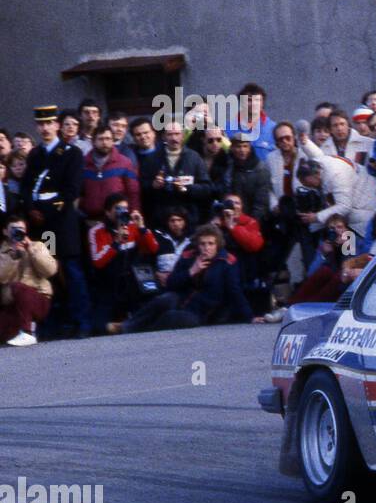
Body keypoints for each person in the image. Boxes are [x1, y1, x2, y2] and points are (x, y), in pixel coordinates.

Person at [22, 104, 91, 338]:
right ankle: (53, 321)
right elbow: (27, 187)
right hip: (42, 226)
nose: (45, 128)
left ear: (58, 125)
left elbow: (71, 190)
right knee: (48, 272)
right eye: (41, 124)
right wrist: (31, 209)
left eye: (49, 123)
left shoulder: (72, 154)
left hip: (62, 223)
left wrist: (45, 210)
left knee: (71, 271)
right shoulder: (35, 155)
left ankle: (81, 321)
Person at [109, 224, 252, 333]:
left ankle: (140, 331)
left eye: (210, 244)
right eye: (202, 244)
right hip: (182, 299)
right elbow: (171, 283)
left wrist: (249, 317)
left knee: (172, 316)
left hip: (202, 311)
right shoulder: (189, 255)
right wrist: (192, 271)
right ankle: (127, 325)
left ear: (217, 245)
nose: (206, 248)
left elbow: (235, 291)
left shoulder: (227, 261)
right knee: (164, 300)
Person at [87, 193, 159, 332]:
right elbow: (97, 262)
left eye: (125, 209)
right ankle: (124, 325)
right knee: (97, 326)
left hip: (132, 282)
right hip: (108, 283)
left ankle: (129, 323)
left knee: (151, 311)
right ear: (107, 212)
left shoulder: (133, 226)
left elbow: (153, 248)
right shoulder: (96, 231)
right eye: (118, 209)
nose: (122, 212)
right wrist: (115, 243)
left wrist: (142, 228)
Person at [0, 213, 58, 346]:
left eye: (21, 229)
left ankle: (27, 332)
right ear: (5, 232)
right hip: (12, 305)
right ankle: (22, 330)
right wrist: (13, 257)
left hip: (39, 299)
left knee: (17, 287)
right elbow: (1, 277)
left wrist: (31, 251)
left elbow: (51, 271)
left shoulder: (37, 246)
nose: (18, 232)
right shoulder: (2, 252)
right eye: (14, 229)